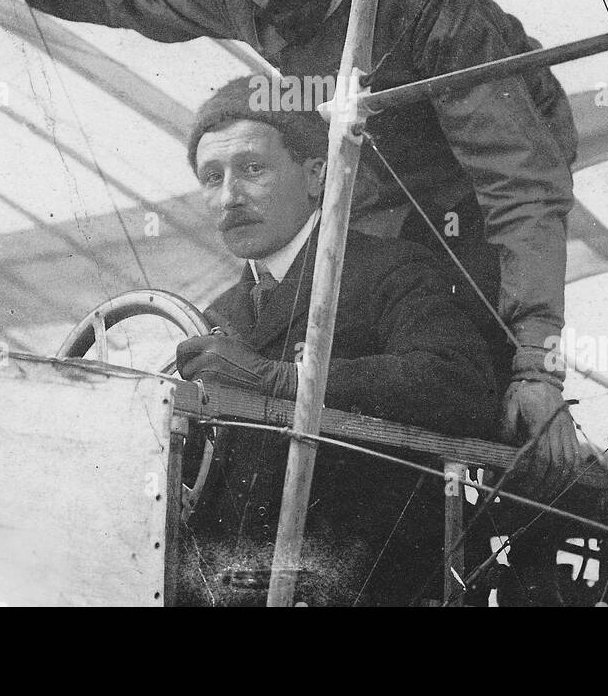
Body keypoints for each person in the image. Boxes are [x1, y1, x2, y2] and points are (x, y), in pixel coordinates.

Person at [0, 0, 580, 492]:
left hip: (492, 155)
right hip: (379, 157)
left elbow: (521, 186)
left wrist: (539, 368)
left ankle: (545, 506)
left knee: (479, 367)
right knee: (349, 309)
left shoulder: (428, 3)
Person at [172, 75, 497, 606]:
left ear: (317, 174)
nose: (229, 197)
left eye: (252, 169)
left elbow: (460, 384)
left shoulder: (390, 269)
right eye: (212, 177)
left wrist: (290, 381)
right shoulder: (215, 318)